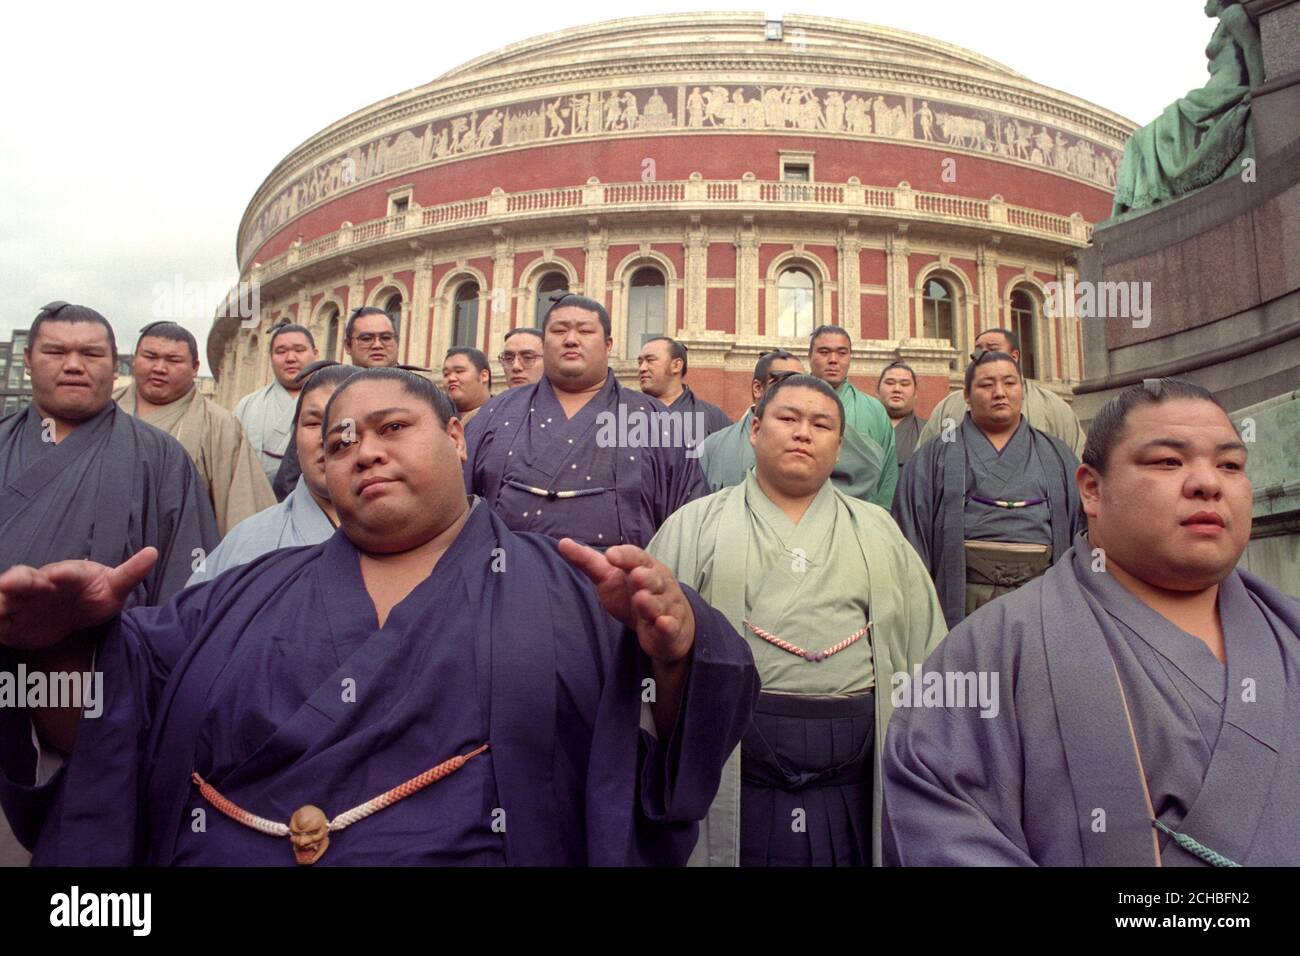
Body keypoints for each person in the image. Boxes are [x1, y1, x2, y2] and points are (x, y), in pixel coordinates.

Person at [0, 368, 759, 866]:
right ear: (320, 470)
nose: (363, 450)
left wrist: (679, 650)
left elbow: (667, 760)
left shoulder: (568, 593)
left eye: (393, 428)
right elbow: (97, 742)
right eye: (339, 441)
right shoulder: (237, 594)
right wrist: (56, 649)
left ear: (457, 437)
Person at [883, 378, 1300, 866]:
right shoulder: (988, 652)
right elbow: (939, 827)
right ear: (1092, 490)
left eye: (1230, 465)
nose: (1208, 482)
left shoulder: (1289, 634)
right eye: (1168, 461)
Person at [650, 374, 946, 867]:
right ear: (755, 429)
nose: (803, 432)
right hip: (735, 772)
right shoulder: (694, 523)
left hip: (857, 780)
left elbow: (927, 651)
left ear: (839, 444)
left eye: (822, 424)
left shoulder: (879, 529)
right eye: (788, 419)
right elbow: (652, 650)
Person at [0, 302, 219, 866]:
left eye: (91, 353)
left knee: (89, 848)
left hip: (103, 691)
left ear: (111, 364)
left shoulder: (160, 457)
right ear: (28, 360)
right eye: (55, 351)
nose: (74, 364)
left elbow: (186, 594)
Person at [464, 294, 706, 549]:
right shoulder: (498, 411)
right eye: (559, 331)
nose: (570, 339)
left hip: (620, 583)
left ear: (608, 344)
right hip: (504, 579)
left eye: (585, 330)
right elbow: (457, 507)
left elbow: (690, 521)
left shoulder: (654, 419)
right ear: (544, 343)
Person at [893, 351, 1083, 630]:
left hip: (1041, 602)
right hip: (958, 602)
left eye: (1010, 383)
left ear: (1023, 389)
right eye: (986, 385)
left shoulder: (1058, 455)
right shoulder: (932, 457)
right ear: (966, 395)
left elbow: (1082, 532)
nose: (1000, 393)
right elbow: (910, 542)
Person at [188, 363, 358, 584]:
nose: (328, 437)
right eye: (313, 423)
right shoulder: (246, 543)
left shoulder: (413, 541)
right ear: (294, 439)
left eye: (347, 424)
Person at [113, 321, 274, 536]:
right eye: (150, 357)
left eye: (173, 360)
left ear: (195, 368)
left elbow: (242, 509)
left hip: (180, 554)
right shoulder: (103, 409)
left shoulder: (221, 425)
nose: (159, 368)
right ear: (135, 360)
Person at [700, 350, 887, 505]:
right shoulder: (714, 445)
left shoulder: (820, 434)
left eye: (800, 380)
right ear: (758, 388)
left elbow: (870, 464)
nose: (793, 388)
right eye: (782, 380)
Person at [915, 328, 1085, 457]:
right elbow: (927, 460)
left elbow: (1076, 461)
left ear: (1015, 356)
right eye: (978, 349)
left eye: (992, 348)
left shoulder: (1053, 407)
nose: (982, 354)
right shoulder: (949, 407)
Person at [807, 326, 898, 507]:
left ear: (850, 358)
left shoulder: (874, 410)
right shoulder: (791, 403)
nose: (833, 360)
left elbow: (887, 474)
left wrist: (878, 517)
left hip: (861, 515)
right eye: (824, 352)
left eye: (842, 353)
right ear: (809, 356)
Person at [234, 323, 318, 486]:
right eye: (281, 352)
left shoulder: (335, 401)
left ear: (315, 354)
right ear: (270, 357)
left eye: (299, 350)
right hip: (259, 502)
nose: (290, 358)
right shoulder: (247, 406)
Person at [636, 337, 730, 441]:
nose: (642, 368)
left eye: (650, 360)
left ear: (676, 365)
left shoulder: (712, 418)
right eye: (640, 363)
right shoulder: (626, 414)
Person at [876, 361, 926, 470]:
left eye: (904, 384)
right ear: (877, 390)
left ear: (915, 393)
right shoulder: (860, 427)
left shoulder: (927, 431)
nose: (897, 389)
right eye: (889, 383)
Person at [442, 347, 492, 426]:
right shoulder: (437, 419)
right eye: (446, 374)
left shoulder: (503, 415)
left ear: (484, 376)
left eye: (459, 371)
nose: (451, 378)